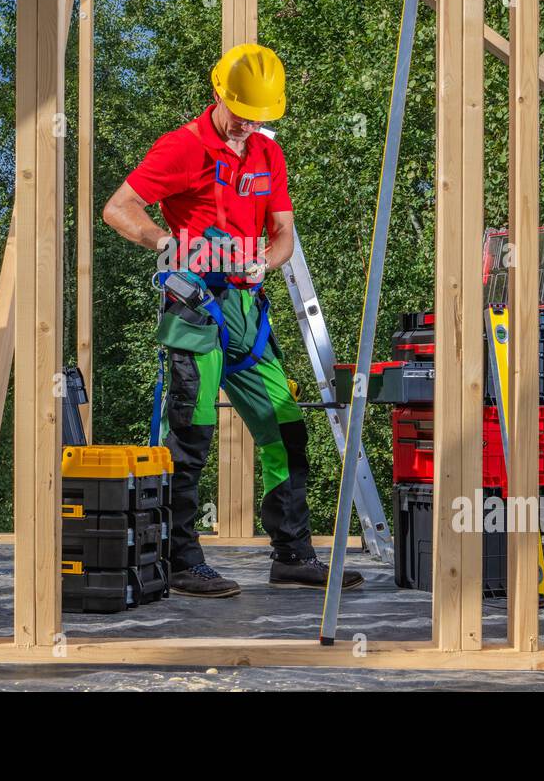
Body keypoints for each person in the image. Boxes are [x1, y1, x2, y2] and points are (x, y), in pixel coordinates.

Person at [102, 43, 363, 598]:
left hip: (248, 311)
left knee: (286, 427)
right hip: (195, 309)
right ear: (219, 92)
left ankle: (292, 553)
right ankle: (180, 560)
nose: (250, 125)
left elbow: (283, 235)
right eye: (243, 113)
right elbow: (118, 207)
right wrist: (162, 241)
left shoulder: (269, 156)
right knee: (193, 434)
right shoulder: (182, 148)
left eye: (261, 117)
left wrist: (265, 259)